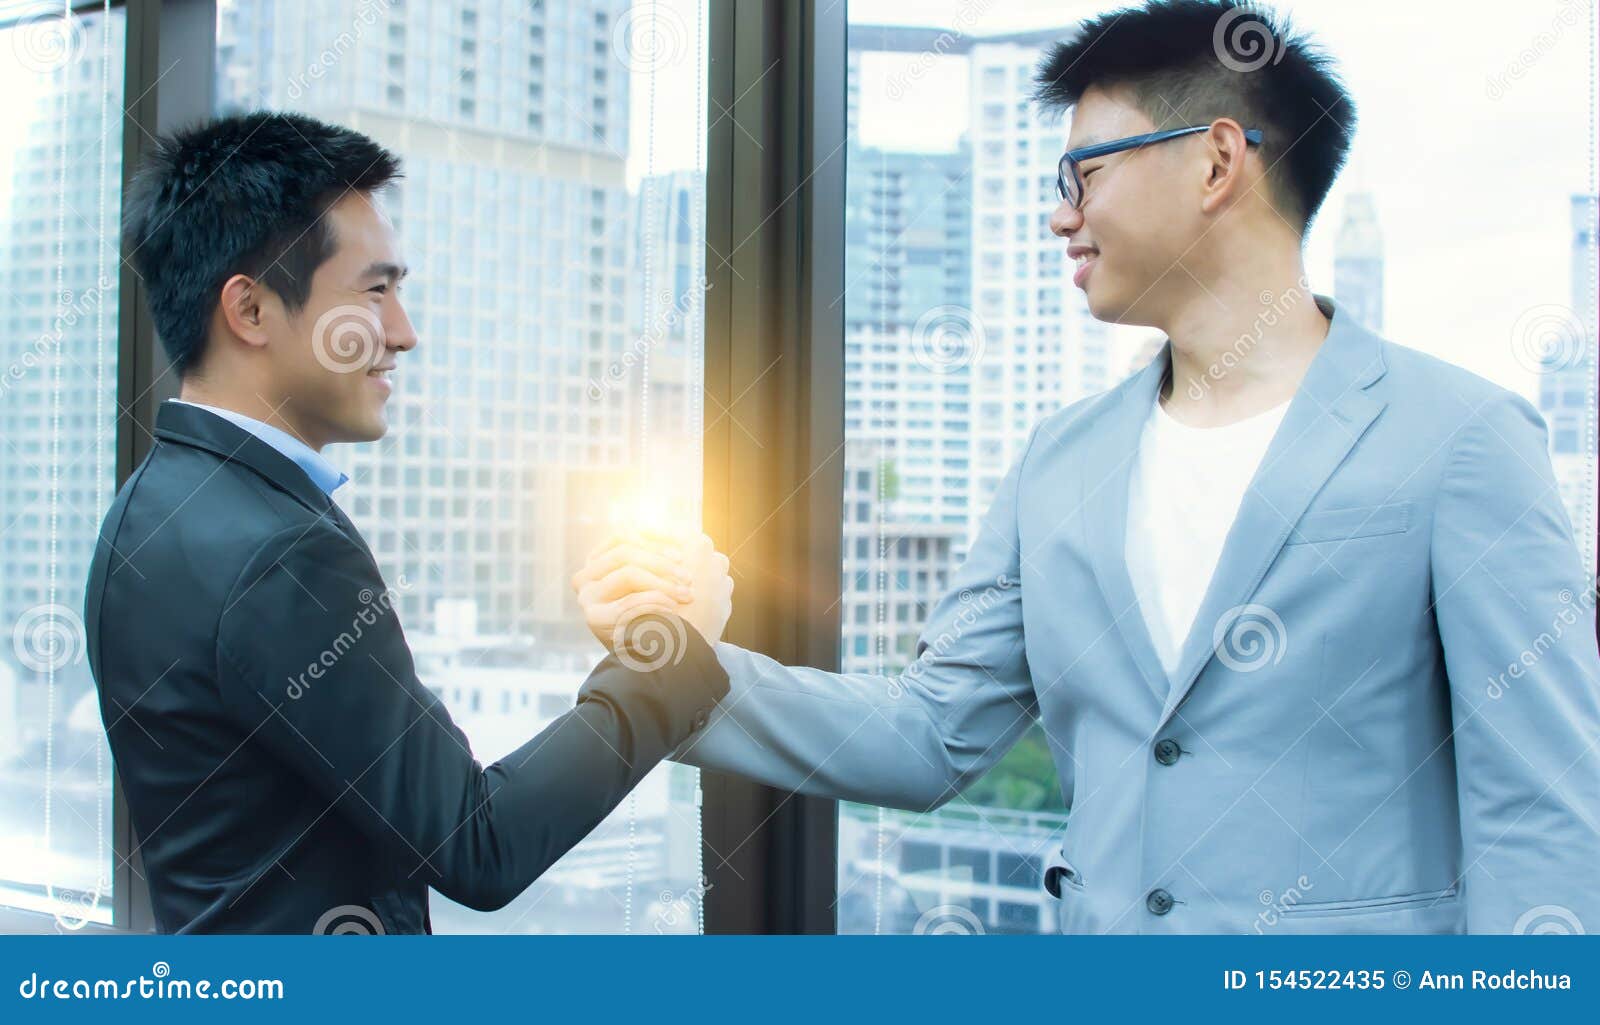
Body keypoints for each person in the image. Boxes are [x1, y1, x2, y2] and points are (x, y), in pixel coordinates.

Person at [577, 0, 1600, 933]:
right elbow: (930, 731)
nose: (1060, 214)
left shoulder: (1461, 437)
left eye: (1084, 174)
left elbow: (1542, 815)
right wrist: (680, 666)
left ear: (1214, 163)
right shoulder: (1058, 460)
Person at [85, 111, 732, 934]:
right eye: (375, 290)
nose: (404, 332)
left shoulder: (145, 509)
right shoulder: (282, 555)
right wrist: (673, 651)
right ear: (250, 312)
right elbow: (479, 841)